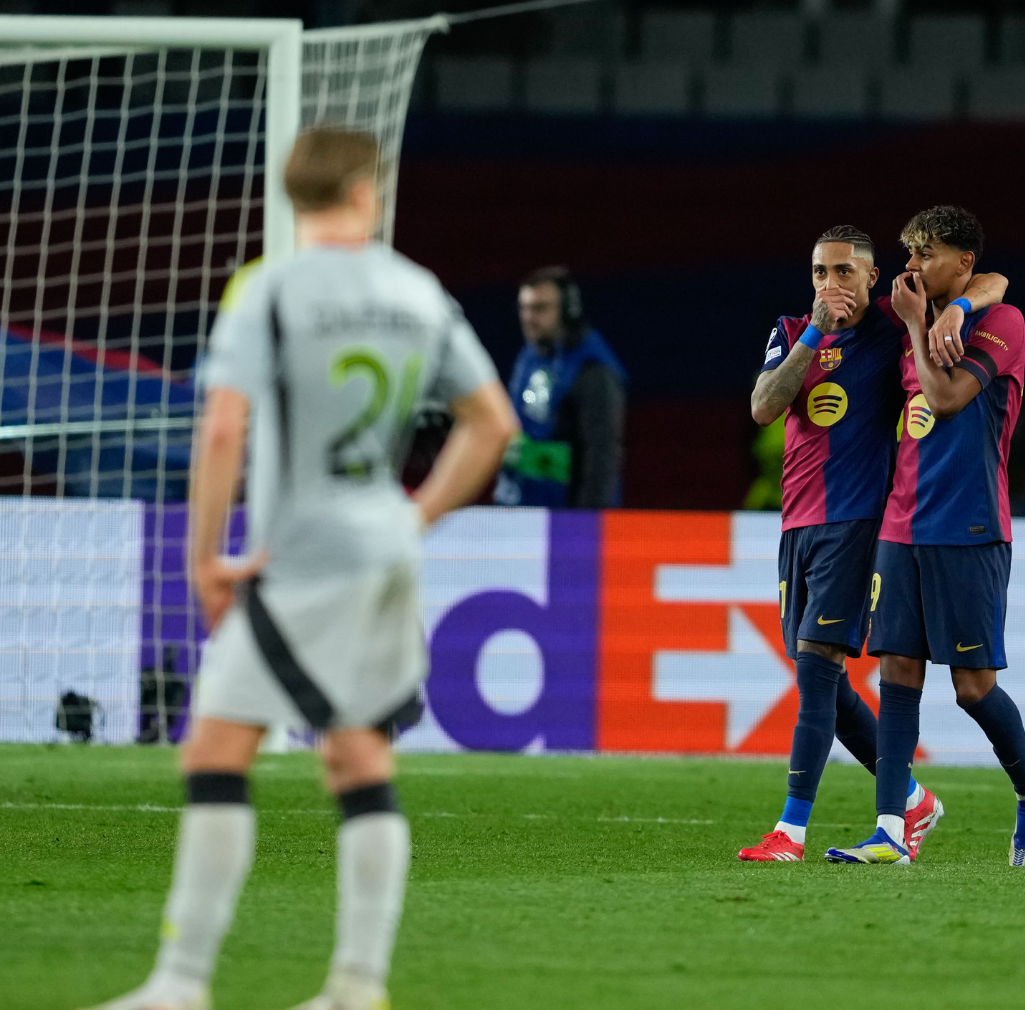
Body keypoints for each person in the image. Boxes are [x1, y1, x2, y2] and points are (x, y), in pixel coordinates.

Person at [87, 127, 519, 1010]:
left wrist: (204, 554)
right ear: (367, 190)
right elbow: (493, 423)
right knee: (359, 758)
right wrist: (418, 514)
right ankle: (357, 983)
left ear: (294, 194)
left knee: (215, 749)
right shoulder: (417, 292)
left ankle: (180, 983)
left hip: (299, 558)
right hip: (385, 551)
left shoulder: (270, 289)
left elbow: (221, 428)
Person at [737, 224, 1008, 863]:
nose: (830, 285)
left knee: (816, 671)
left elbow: (994, 283)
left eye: (843, 273)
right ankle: (910, 798)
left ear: (871, 279)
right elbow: (764, 406)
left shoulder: (892, 321)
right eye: (819, 273)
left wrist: (964, 305)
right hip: (796, 526)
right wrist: (813, 333)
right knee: (821, 683)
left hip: (858, 521)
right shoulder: (791, 329)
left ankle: (791, 831)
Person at [824, 206, 1025, 868]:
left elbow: (947, 396)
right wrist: (925, 318)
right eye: (910, 253)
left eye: (927, 254)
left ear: (963, 263)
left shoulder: (1001, 323)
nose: (913, 266)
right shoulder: (912, 322)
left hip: (970, 525)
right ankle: (892, 827)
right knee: (897, 670)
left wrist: (931, 320)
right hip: (902, 524)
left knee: (971, 687)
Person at [494, 266, 626, 508]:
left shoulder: (593, 370)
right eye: (523, 308)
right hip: (517, 506)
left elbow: (601, 458)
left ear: (569, 310)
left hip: (562, 519)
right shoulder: (529, 357)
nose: (528, 318)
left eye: (540, 308)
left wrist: (587, 527)